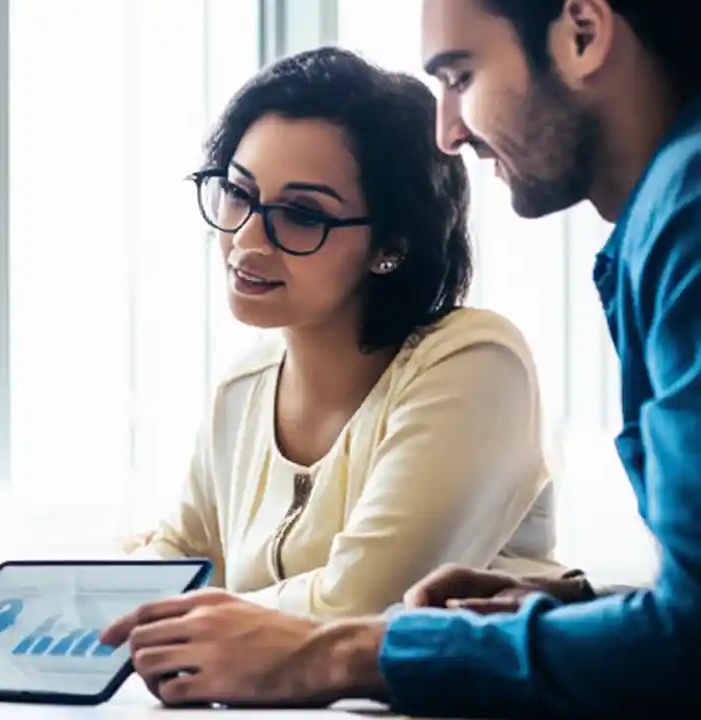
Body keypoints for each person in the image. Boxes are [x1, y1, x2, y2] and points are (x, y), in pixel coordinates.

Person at [102, 0, 701, 716]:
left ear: (583, 33)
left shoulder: (683, 220)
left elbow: (687, 640)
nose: (449, 133)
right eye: (236, 193)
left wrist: (342, 650)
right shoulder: (661, 226)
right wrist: (576, 606)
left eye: (462, 76)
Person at [126, 46, 562, 619]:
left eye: (302, 214)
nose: (247, 239)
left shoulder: (477, 363)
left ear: (390, 246)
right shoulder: (244, 387)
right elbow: (173, 563)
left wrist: (180, 615)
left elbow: (361, 604)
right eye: (237, 193)